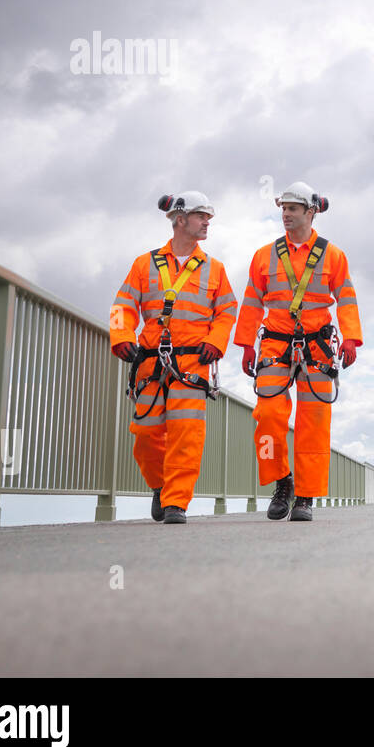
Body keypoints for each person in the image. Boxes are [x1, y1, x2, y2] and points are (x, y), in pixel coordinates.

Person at [236, 182, 362, 521]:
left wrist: (350, 338)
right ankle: (282, 481)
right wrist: (246, 343)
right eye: (283, 208)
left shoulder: (333, 255)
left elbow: (346, 297)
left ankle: (305, 497)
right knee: (267, 416)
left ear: (311, 211)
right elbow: (251, 301)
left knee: (314, 423)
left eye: (293, 208)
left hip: (317, 346)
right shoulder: (264, 255)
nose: (286, 214)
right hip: (275, 343)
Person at [110, 191, 237, 524]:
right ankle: (161, 486)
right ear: (180, 219)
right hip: (150, 362)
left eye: (208, 217)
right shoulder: (144, 264)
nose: (207, 222)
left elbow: (226, 312)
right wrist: (122, 337)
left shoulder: (215, 269)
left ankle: (176, 503)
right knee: (145, 436)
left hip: (193, 363)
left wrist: (216, 341)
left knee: (186, 435)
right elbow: (122, 306)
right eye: (200, 216)